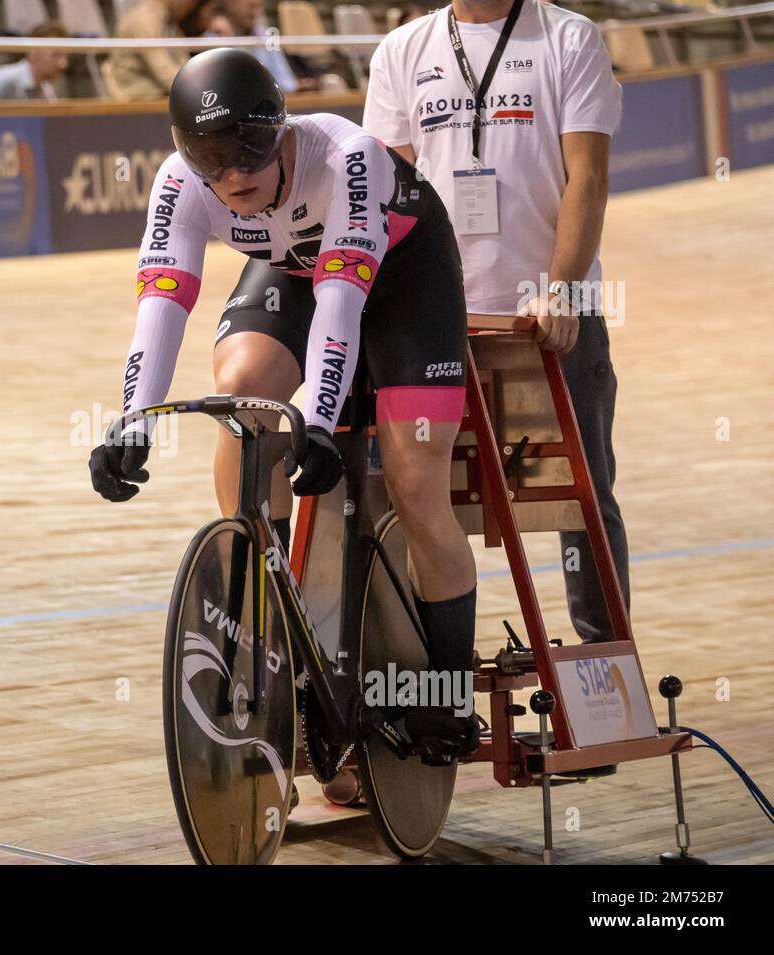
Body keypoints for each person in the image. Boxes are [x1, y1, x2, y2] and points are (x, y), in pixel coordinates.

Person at [89, 49, 480, 757]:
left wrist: (321, 424)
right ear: (185, 152)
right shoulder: (181, 183)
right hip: (297, 267)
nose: (234, 173)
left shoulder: (347, 158)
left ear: (280, 132)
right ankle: (264, 596)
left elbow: (344, 303)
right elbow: (161, 304)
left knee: (416, 480)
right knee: (241, 395)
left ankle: (446, 692)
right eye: (213, 155)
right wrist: (133, 419)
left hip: (400, 278)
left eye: (251, 148)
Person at [364, 0, 627, 647]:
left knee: (583, 501)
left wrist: (559, 289)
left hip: (548, 318)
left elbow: (587, 179)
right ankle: (415, 671)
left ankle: (606, 666)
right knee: (402, 493)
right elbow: (386, 193)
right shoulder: (401, 50)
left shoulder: (570, 38)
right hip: (435, 319)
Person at [206, 0, 314, 94]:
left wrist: (296, 87)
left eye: (259, 6)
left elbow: (285, 79)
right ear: (230, 4)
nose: (255, 13)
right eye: (251, 6)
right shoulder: (214, 34)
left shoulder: (265, 34)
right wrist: (229, 43)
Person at [104, 0, 197, 101]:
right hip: (137, 100)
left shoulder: (168, 21)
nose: (191, 6)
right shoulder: (143, 19)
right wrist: (196, 91)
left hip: (159, 95)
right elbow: (163, 71)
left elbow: (183, 63)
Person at [0, 21, 68, 104]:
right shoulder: (2, 80)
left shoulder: (46, 90)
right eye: (56, 55)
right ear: (33, 52)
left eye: (64, 56)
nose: (63, 63)